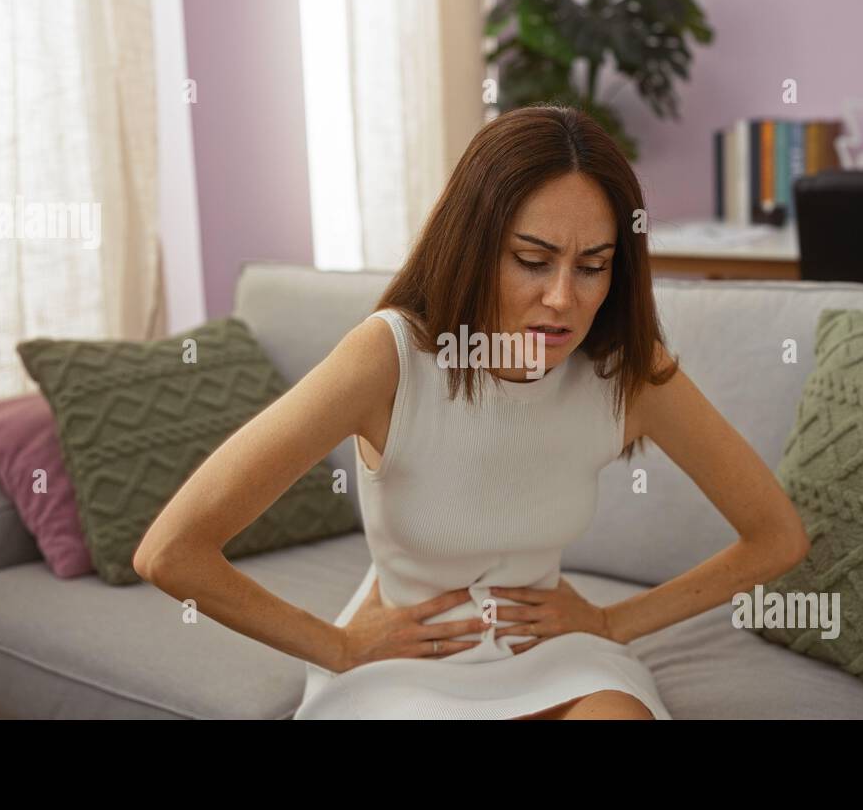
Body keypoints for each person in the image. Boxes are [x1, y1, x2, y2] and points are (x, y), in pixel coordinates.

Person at [133, 105, 809, 720]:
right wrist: (337, 646)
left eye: (593, 265)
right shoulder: (388, 359)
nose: (562, 298)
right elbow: (172, 550)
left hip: (557, 658)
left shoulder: (627, 374)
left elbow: (777, 536)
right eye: (532, 260)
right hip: (404, 666)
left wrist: (610, 622)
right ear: (474, 244)